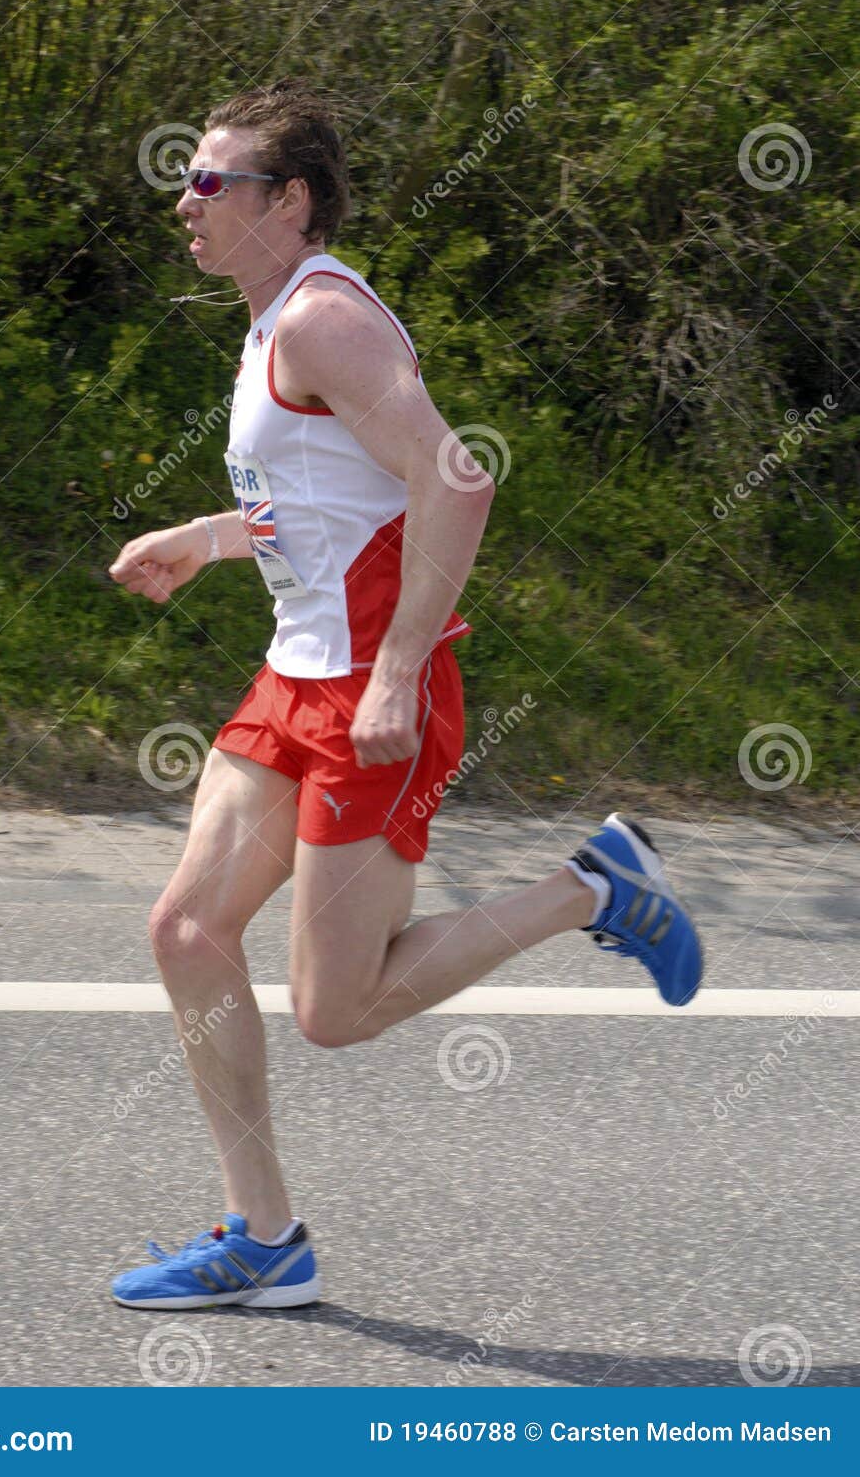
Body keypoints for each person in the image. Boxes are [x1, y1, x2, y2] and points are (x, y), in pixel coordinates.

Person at [108, 80, 702, 1311]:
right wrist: (207, 537)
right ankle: (262, 1238)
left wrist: (392, 672)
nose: (187, 200)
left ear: (293, 201)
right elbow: (326, 501)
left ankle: (589, 889)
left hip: (377, 691)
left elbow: (456, 481)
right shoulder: (272, 320)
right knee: (186, 932)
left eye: (213, 182)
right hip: (295, 677)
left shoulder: (325, 321)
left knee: (339, 1006)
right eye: (188, 178)